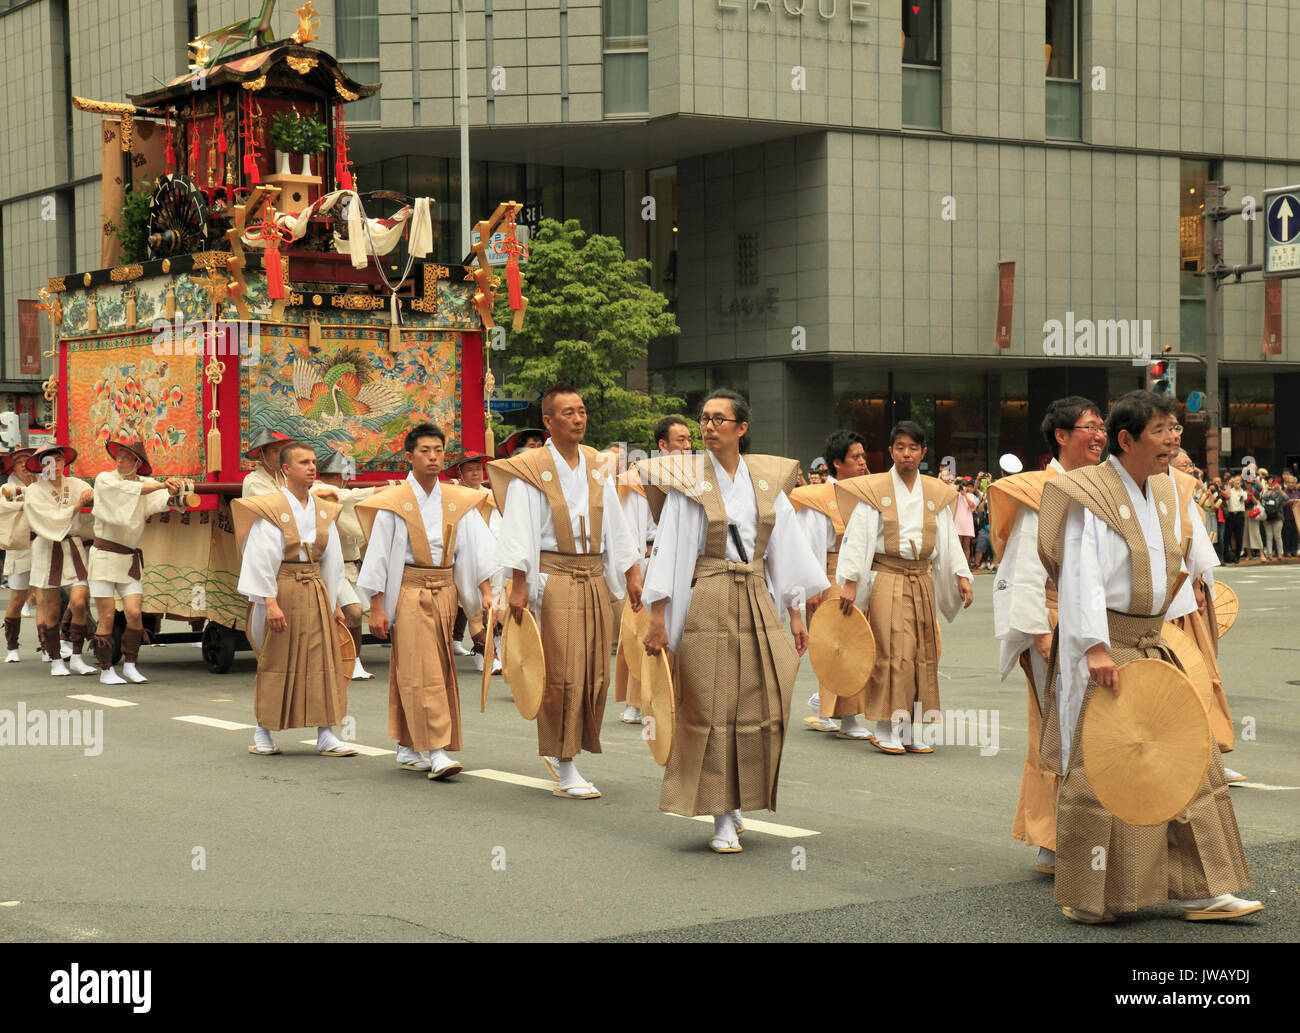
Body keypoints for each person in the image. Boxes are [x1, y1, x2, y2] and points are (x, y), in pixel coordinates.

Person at [1038, 390, 1258, 924]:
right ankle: (1090, 897)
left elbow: (1171, 563)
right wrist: (1093, 647)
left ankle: (1204, 889)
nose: (1173, 440)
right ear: (1126, 439)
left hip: (1152, 639)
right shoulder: (1087, 492)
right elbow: (1081, 577)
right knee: (1102, 767)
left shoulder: (1164, 489)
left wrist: (1186, 614)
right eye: (1161, 430)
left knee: (1187, 758)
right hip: (1105, 644)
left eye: (1175, 429)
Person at [641, 389, 827, 853]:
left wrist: (795, 612)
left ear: (742, 428)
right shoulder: (688, 482)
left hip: (757, 593)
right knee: (712, 704)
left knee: (758, 703)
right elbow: (669, 549)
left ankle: (739, 797)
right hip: (708, 593)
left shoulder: (765, 482)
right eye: (704, 419)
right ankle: (721, 812)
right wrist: (658, 616)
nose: (709, 427)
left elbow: (784, 549)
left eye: (719, 419)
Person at [492, 384, 644, 799]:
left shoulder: (596, 464)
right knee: (562, 671)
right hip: (553, 577)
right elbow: (519, 528)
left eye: (582, 411)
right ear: (548, 421)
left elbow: (615, 524)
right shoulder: (529, 468)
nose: (578, 419)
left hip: (593, 575)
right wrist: (519, 585)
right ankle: (563, 758)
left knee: (594, 669)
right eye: (568, 413)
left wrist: (632, 572)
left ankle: (574, 747)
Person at [989, 396, 1104, 876]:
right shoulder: (1040, 492)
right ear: (1061, 436)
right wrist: (1038, 632)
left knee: (1097, 728)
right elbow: (1023, 567)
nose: (1099, 435)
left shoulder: (1103, 486)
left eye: (1102, 426)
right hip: (1054, 621)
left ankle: (1092, 834)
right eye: (1089, 427)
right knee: (1055, 728)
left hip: (1099, 620)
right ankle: (1051, 838)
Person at [356, 424, 500, 778]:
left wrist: (485, 593)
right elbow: (378, 556)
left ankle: (408, 744)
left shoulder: (456, 500)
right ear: (409, 456)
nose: (433, 457)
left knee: (425, 666)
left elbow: (475, 550)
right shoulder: (394, 502)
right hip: (409, 590)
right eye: (425, 450)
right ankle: (436, 749)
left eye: (438, 450)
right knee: (426, 669)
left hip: (445, 590)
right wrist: (377, 608)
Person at [835, 421, 974, 754]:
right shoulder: (875, 491)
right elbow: (858, 538)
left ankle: (909, 729)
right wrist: (850, 582)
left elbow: (948, 538)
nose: (906, 454)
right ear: (891, 451)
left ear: (923, 452)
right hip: (888, 577)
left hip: (921, 579)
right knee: (890, 651)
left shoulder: (936, 493)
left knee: (922, 653)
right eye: (900, 447)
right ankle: (884, 727)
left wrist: (961, 575)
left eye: (913, 447)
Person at [233, 442, 356, 758]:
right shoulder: (272, 508)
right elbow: (260, 557)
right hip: (282, 585)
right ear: (286, 469)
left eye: (313, 462)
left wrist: (335, 603)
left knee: (322, 661)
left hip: (315, 587)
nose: (312, 467)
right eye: (304, 462)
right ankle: (263, 730)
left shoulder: (324, 509)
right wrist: (269, 602)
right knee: (276, 659)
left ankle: (325, 733)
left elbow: (332, 559)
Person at [1169, 447, 1244, 784]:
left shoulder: (1185, 492)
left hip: (1194, 594)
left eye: (1191, 464)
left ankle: (1208, 756)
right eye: (1183, 464)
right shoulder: (1165, 490)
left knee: (1204, 676)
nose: (1191, 470)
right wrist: (1195, 585)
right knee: (1191, 679)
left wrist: (1201, 585)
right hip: (1180, 599)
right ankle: (1198, 758)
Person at [792, 429, 870, 737]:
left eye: (863, 456)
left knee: (860, 645)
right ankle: (847, 719)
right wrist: (811, 588)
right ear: (838, 463)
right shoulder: (818, 498)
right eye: (856, 457)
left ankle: (823, 704)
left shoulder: (868, 493)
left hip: (863, 574)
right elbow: (807, 545)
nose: (863, 462)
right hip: (830, 575)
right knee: (839, 647)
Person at [614, 416, 691, 724]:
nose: (687, 446)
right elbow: (628, 530)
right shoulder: (638, 478)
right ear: (662, 444)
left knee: (677, 629)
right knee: (642, 631)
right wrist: (633, 571)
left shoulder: (693, 477)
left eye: (689, 440)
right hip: (647, 560)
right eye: (680, 441)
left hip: (682, 563)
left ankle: (672, 699)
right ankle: (636, 702)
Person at [87, 439, 183, 685]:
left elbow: (161, 499)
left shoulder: (145, 485)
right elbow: (128, 491)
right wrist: (161, 484)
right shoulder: (105, 479)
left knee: (134, 613)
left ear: (137, 463)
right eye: (119, 455)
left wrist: (175, 490)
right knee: (107, 615)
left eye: (126, 457)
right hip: (104, 555)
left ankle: (130, 665)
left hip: (129, 558)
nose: (119, 460)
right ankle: (106, 669)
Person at [23, 446, 95, 677]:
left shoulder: (76, 484)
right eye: (48, 461)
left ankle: (77, 656)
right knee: (52, 608)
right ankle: (56, 659)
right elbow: (49, 520)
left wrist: (91, 495)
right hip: (47, 548)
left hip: (73, 547)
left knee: (80, 601)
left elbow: (93, 495)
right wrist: (77, 505)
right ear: (41, 465)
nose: (54, 465)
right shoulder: (34, 491)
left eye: (58, 459)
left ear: (64, 463)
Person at [312, 450, 378, 680]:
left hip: (349, 566)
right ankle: (345, 660)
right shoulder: (320, 492)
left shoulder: (339, 494)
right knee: (353, 610)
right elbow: (348, 497)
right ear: (341, 476)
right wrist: (386, 489)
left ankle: (352, 660)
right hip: (328, 566)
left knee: (356, 613)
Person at [1, 447, 37, 662]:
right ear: (13, 466)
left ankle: (49, 646)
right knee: (16, 599)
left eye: (27, 461)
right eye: (19, 462)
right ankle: (12, 646)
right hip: (20, 547)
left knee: (46, 597)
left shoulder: (43, 484)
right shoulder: (8, 487)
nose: (24, 465)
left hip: (43, 544)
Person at [241, 429, 297, 498]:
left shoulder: (287, 476)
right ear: (262, 455)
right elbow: (276, 502)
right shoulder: (254, 481)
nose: (281, 455)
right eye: (275, 451)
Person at [1260, 477, 1286, 561]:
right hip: (1268, 517)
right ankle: (1269, 553)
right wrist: (1271, 490)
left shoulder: (1280, 493)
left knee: (1278, 536)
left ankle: (1280, 553)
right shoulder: (1267, 491)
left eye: (1275, 483)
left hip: (1278, 517)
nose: (1274, 485)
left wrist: (1279, 490)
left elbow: (1287, 498)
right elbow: (1263, 498)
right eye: (1272, 483)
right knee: (1269, 536)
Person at [1222, 475, 1245, 563]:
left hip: (1239, 515)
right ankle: (1226, 555)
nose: (1237, 482)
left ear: (1241, 483)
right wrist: (1229, 484)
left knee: (1239, 536)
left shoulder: (1243, 492)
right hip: (1231, 515)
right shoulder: (1230, 491)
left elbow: (1245, 498)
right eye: (1235, 481)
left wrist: (1240, 489)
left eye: (1239, 481)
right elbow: (1226, 495)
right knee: (1227, 535)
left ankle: (1237, 556)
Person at [954, 477, 977, 565]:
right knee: (958, 547)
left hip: (967, 524)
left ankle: (966, 566)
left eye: (964, 485)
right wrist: (956, 489)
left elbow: (972, 506)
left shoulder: (971, 495)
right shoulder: (956, 495)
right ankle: (958, 565)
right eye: (961, 485)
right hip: (957, 523)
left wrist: (965, 495)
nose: (963, 487)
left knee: (966, 546)